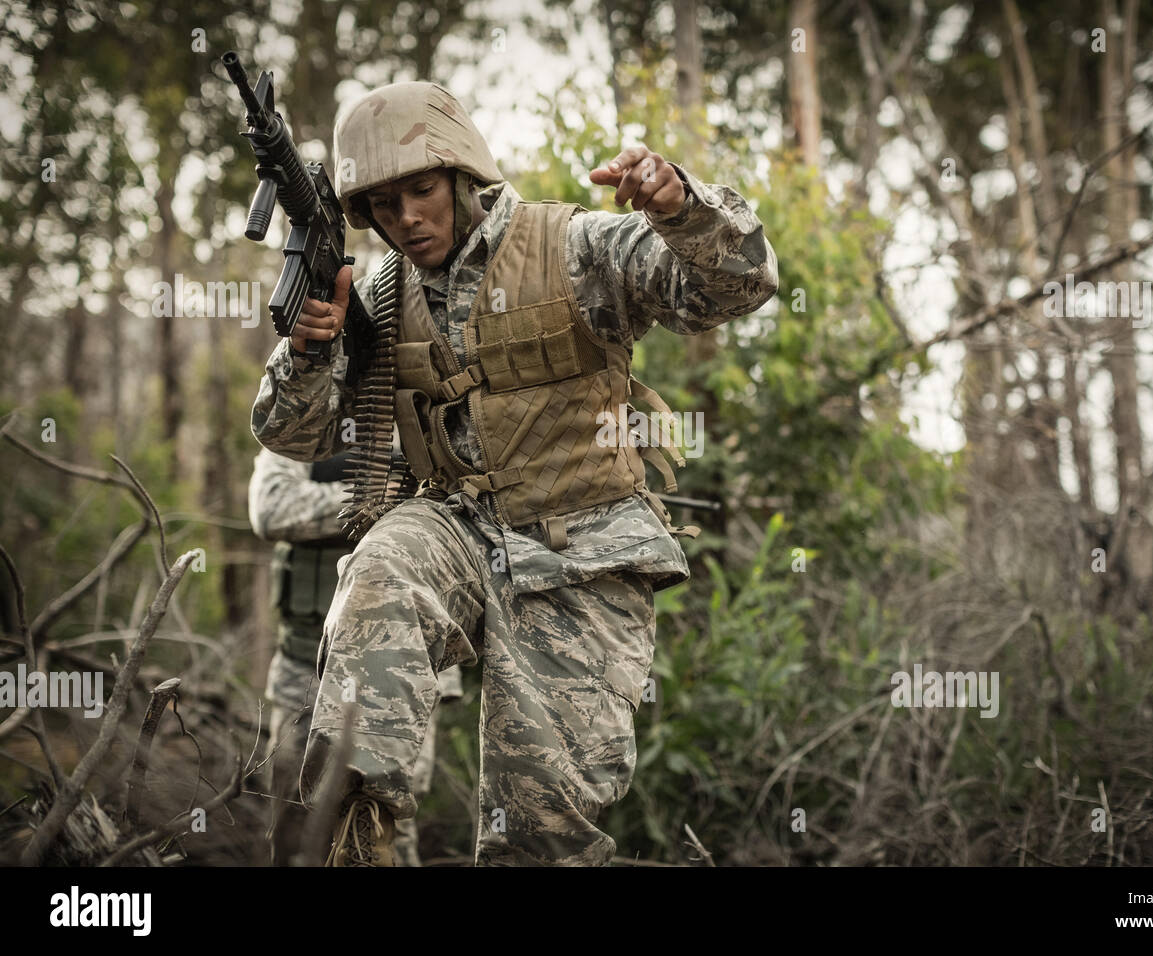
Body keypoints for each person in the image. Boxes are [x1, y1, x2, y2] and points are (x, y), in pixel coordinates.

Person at [250, 79, 778, 865]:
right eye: (384, 206)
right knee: (384, 559)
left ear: (463, 172)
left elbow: (737, 285)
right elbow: (291, 435)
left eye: (422, 191)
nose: (407, 219)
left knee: (537, 833)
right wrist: (309, 350)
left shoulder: (571, 247)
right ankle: (354, 829)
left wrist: (677, 208)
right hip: (457, 528)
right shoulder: (382, 298)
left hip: (582, 551)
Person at [248, 446, 460, 865]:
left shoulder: (422, 418)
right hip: (304, 668)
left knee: (385, 824)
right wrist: (377, 498)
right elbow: (271, 508)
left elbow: (458, 514)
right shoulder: (304, 426)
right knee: (292, 819)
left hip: (401, 669)